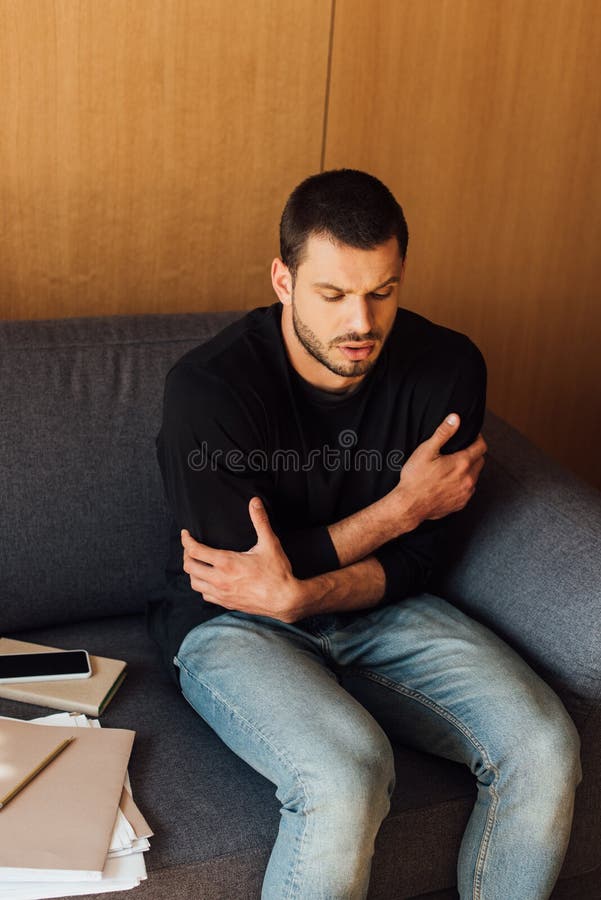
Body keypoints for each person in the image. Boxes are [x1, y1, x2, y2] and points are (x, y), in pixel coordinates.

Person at [148, 169, 582, 899]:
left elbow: (416, 560)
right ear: (283, 280)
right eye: (334, 294)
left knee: (542, 747)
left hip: (383, 605)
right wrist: (399, 508)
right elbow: (247, 576)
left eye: (382, 292)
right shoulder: (210, 387)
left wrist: (306, 586)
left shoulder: (446, 368)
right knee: (348, 773)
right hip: (230, 624)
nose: (361, 323)